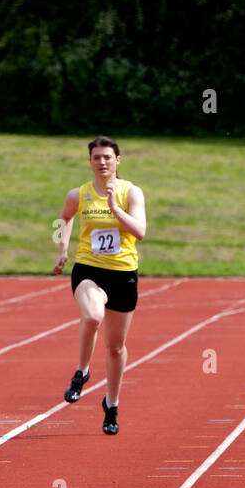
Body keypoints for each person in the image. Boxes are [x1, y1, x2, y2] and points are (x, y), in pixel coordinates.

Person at [53, 136, 147, 435]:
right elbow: (64, 218)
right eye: (96, 157)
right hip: (88, 268)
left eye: (107, 157)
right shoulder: (77, 194)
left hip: (123, 273)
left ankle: (112, 403)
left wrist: (114, 209)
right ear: (90, 161)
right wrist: (63, 250)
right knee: (93, 315)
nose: (102, 162)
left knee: (116, 347)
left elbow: (141, 231)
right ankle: (82, 372)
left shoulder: (131, 192)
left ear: (118, 160)